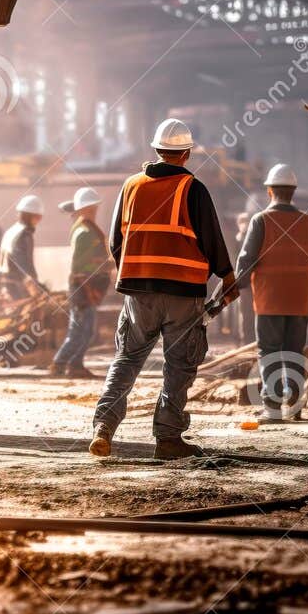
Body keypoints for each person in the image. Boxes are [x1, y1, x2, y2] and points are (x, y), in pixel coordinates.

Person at [88, 118, 236, 460]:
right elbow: (212, 238)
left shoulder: (130, 186)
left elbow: (115, 242)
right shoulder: (193, 188)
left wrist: (134, 271)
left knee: (127, 358)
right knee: (179, 365)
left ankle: (104, 428)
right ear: (186, 154)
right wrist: (227, 276)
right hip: (183, 292)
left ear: (156, 150)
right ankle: (168, 439)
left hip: (138, 292)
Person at [233, 163, 308, 421]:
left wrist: (235, 286)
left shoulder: (260, 221)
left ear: (269, 191)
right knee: (295, 351)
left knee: (270, 352)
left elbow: (246, 261)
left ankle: (272, 407)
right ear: (293, 192)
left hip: (269, 302)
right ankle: (295, 405)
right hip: (299, 302)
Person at [49, 186, 105, 379]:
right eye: (90, 209)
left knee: (85, 331)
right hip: (82, 288)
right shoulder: (84, 233)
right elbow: (78, 268)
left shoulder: (86, 230)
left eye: (94, 208)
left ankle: (74, 364)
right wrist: (89, 291)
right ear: (81, 209)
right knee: (79, 331)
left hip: (84, 287)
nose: (93, 212)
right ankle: (61, 363)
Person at [0, 194, 43, 298]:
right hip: (19, 289)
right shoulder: (24, 234)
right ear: (34, 216)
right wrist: (33, 284)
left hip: (6, 285)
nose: (39, 220)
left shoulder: (12, 231)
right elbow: (23, 262)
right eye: (39, 217)